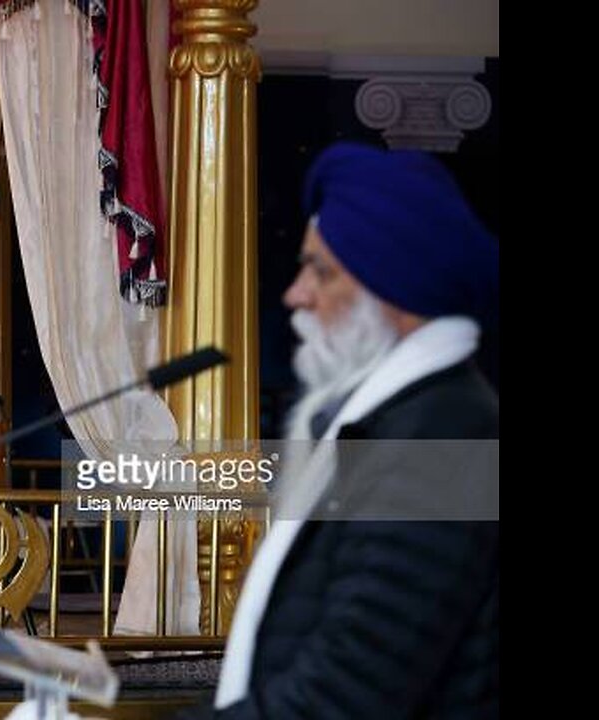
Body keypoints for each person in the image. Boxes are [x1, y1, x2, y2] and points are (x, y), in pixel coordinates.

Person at [185, 142, 499, 718]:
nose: (296, 293)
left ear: (395, 291)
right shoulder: (401, 421)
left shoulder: (446, 436)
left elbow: (344, 694)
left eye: (320, 271)